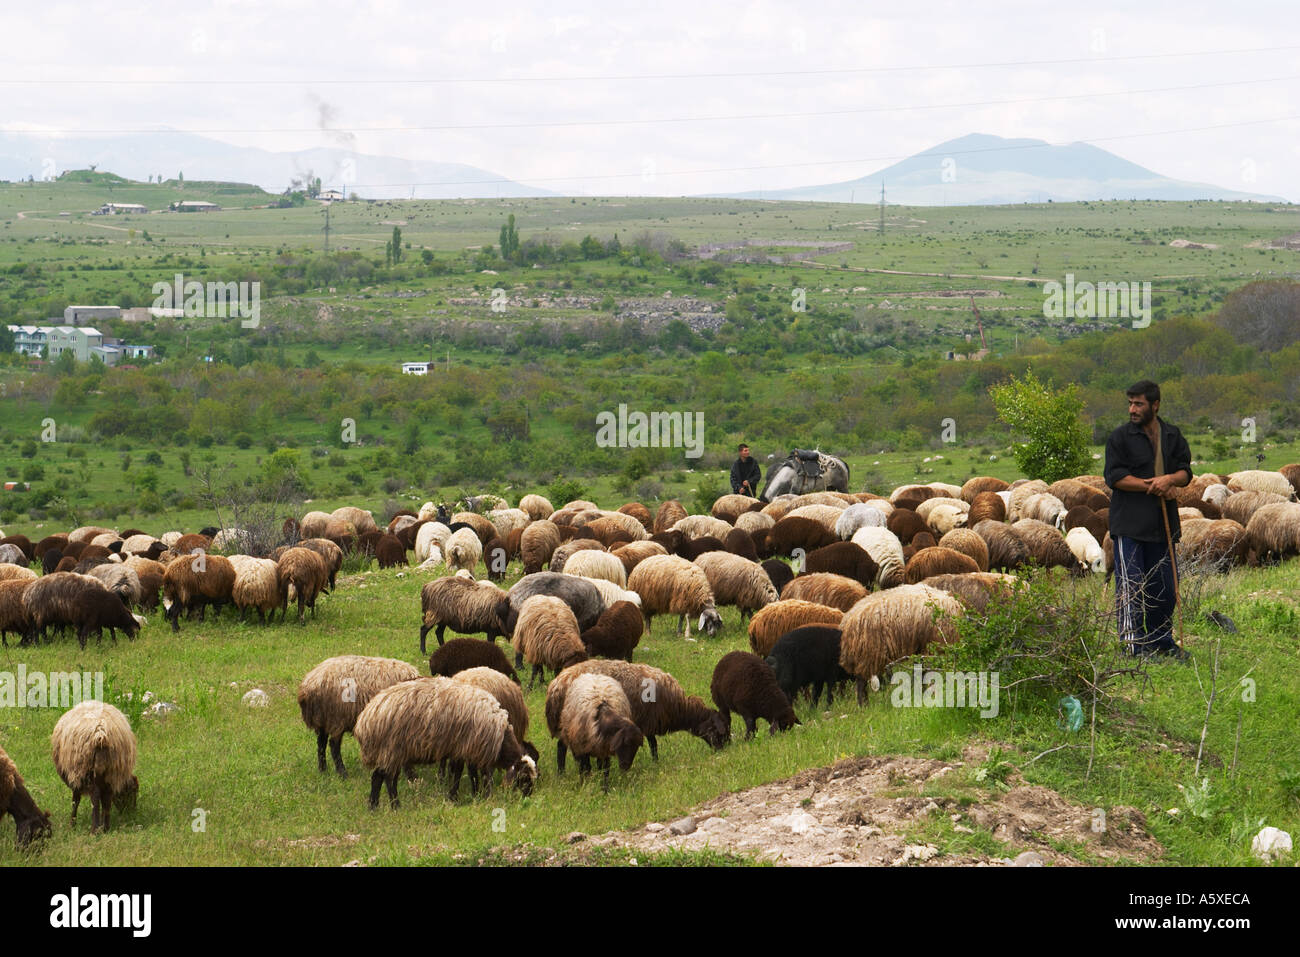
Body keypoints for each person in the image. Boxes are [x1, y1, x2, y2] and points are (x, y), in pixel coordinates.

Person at [1103, 380, 1192, 660]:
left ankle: (1161, 642)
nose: (1132, 409)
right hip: (1129, 525)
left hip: (1162, 524)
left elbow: (1185, 472)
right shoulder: (1120, 438)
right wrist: (1149, 485)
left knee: (1164, 587)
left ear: (1155, 405)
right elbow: (1115, 477)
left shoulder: (1172, 435)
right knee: (1132, 587)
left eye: (1138, 403)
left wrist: (1169, 479)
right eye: (1130, 403)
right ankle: (1133, 648)